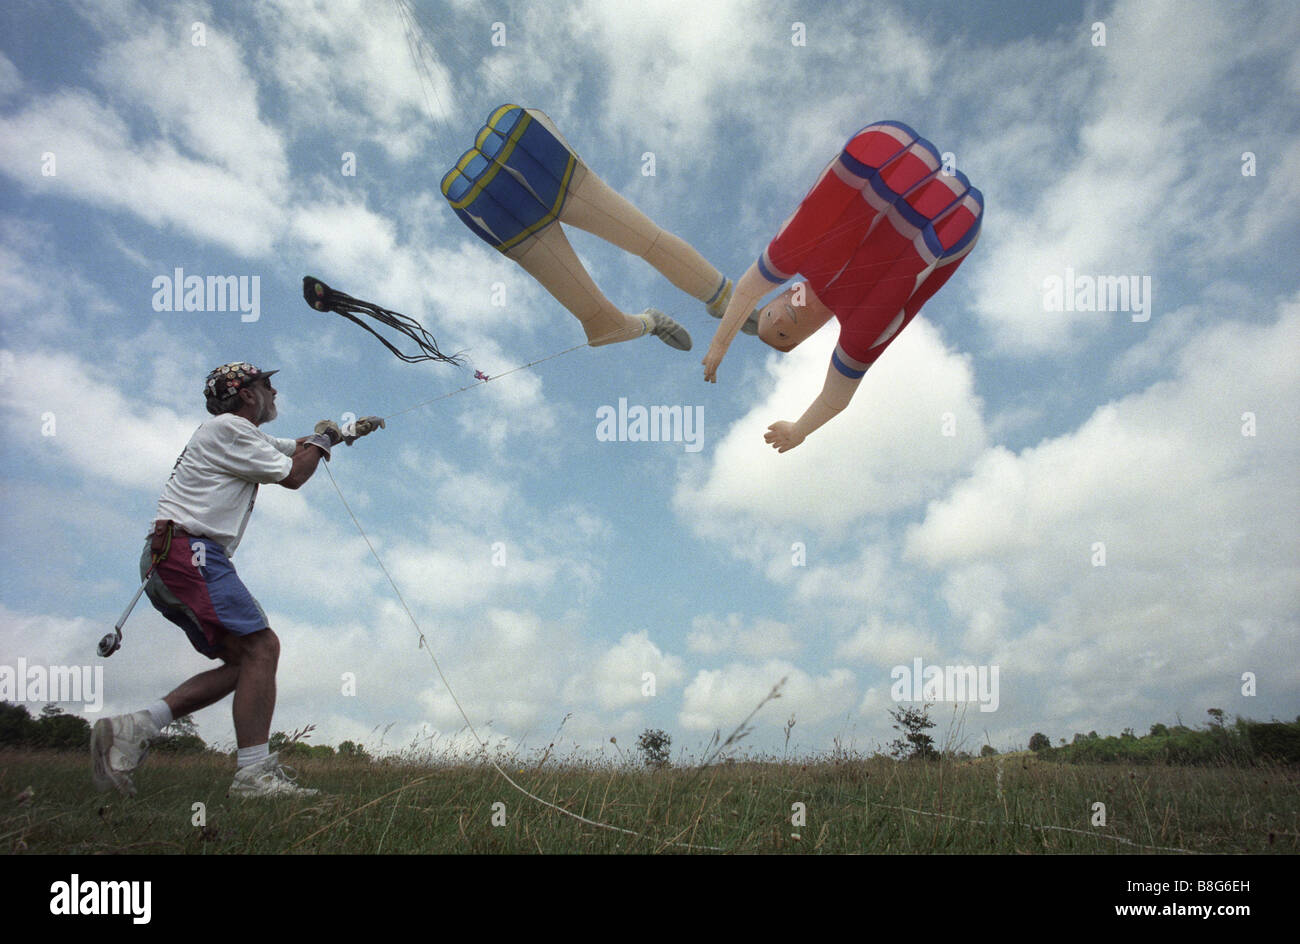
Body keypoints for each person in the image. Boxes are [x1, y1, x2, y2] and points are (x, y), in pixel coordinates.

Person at [90, 362, 383, 798]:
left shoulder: (242, 435)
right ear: (247, 394)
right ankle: (253, 777)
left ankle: (135, 728)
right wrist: (322, 440)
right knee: (263, 647)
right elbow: (296, 474)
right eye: (267, 383)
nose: (275, 390)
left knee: (248, 661)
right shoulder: (229, 429)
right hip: (190, 553)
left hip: (176, 555)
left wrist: (341, 432)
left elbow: (297, 446)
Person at [703, 120, 984, 451]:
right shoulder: (859, 329)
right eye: (782, 334)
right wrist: (799, 430)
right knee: (874, 323)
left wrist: (720, 344)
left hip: (886, 162)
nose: (779, 321)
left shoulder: (796, 253)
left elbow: (749, 289)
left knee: (794, 240)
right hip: (946, 221)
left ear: (779, 295)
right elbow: (836, 396)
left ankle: (885, 175)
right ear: (806, 336)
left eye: (769, 316)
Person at [443, 104, 734, 352]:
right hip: (526, 171)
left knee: (607, 311)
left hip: (511, 186)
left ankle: (711, 299)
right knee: (607, 315)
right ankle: (705, 300)